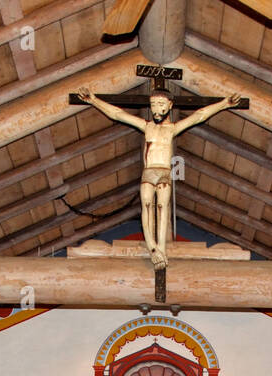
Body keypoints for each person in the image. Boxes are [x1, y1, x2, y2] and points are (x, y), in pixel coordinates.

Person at [76, 88, 242, 268]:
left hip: (164, 171)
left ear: (170, 106)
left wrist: (224, 104)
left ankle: (161, 248)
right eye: (153, 104)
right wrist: (93, 100)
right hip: (149, 171)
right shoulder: (147, 126)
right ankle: (152, 247)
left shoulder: (172, 129)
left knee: (163, 207)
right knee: (146, 206)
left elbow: (199, 115)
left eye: (161, 104)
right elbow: (118, 114)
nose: (156, 109)